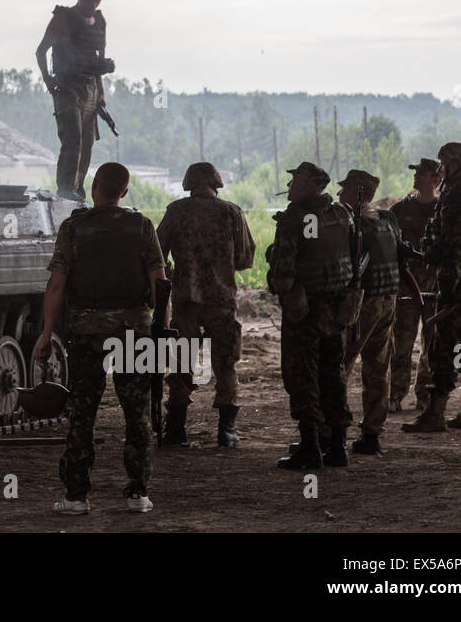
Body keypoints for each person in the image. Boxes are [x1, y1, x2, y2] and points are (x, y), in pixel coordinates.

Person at [35, 161, 166, 514]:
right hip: (133, 334)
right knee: (137, 415)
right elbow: (159, 281)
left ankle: (76, 496)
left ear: (94, 188)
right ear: (124, 192)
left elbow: (56, 285)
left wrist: (46, 334)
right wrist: (159, 329)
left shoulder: (74, 228)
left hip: (87, 333)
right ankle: (137, 494)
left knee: (83, 413)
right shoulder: (142, 226)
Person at [156, 161, 256, 448]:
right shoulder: (231, 212)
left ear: (188, 183)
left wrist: (175, 273)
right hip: (222, 302)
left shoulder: (176, 211)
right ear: (216, 183)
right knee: (225, 364)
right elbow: (245, 259)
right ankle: (226, 431)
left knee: (181, 362)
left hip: (185, 300)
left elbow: (158, 254)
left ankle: (176, 429)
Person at [266, 161, 355, 469]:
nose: (289, 186)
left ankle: (310, 447)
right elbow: (354, 260)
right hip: (335, 310)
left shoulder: (296, 217)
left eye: (294, 181)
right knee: (333, 374)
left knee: (302, 376)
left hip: (304, 313)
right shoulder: (341, 214)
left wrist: (283, 292)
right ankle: (338, 446)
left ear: (306, 185)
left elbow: (284, 269)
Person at [402, 142, 461, 433]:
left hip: (459, 283)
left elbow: (455, 246)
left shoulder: (455, 196)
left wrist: (448, 287)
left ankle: (436, 411)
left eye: (443, 164)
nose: (440, 170)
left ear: (454, 164)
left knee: (445, 346)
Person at [338, 169, 413, 456]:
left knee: (339, 365)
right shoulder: (387, 220)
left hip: (361, 303)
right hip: (388, 300)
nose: (339, 193)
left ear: (358, 192)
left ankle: (332, 431)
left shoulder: (350, 221)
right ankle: (372, 434)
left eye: (344, 189)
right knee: (378, 368)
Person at [35, 0, 113, 204]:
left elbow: (98, 60)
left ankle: (77, 193)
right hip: (67, 87)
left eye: (97, 2)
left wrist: (100, 91)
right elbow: (41, 51)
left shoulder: (99, 21)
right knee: (73, 139)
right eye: (89, 1)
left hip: (90, 89)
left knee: (87, 143)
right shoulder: (63, 20)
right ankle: (66, 191)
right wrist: (47, 80)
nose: (93, 6)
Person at [388, 159, 441, 413]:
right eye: (416, 172)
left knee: (431, 343)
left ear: (435, 179)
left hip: (434, 284)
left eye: (422, 173)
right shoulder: (400, 209)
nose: (416, 176)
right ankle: (396, 394)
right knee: (402, 343)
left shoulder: (444, 209)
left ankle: (425, 394)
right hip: (407, 285)